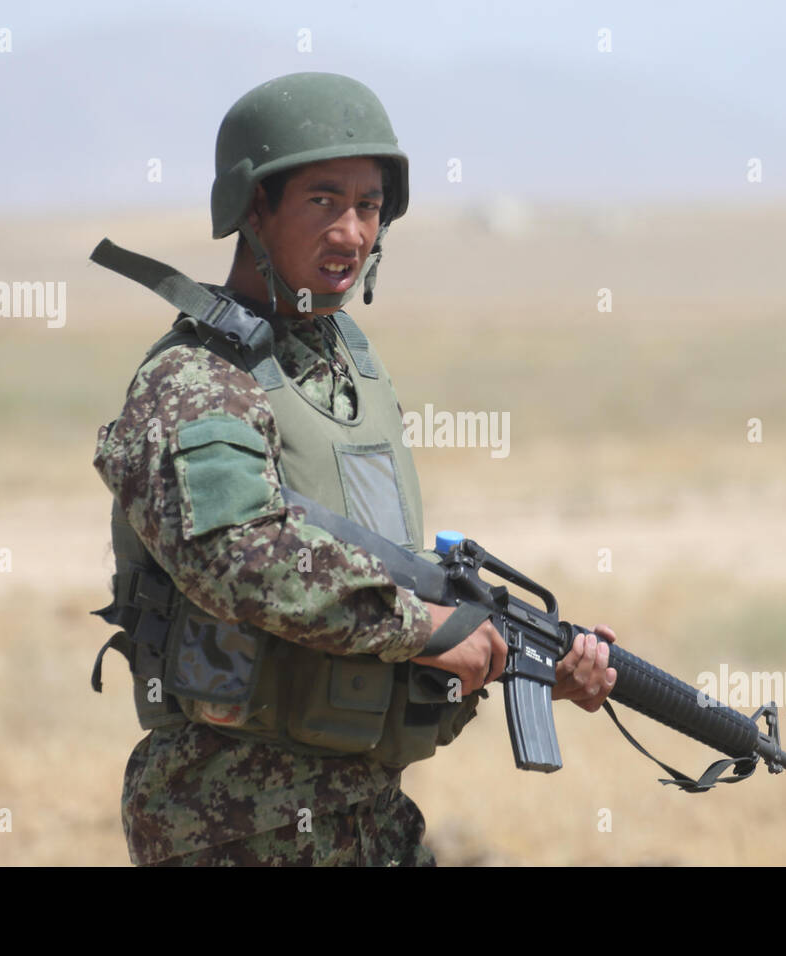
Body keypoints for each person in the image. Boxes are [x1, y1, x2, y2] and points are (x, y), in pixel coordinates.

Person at [88, 71, 618, 866]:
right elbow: (236, 561)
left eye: (369, 206)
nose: (351, 233)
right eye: (322, 202)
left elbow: (386, 583)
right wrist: (427, 631)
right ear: (253, 208)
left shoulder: (344, 373)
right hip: (236, 823)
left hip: (368, 817)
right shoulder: (195, 380)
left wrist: (518, 661)